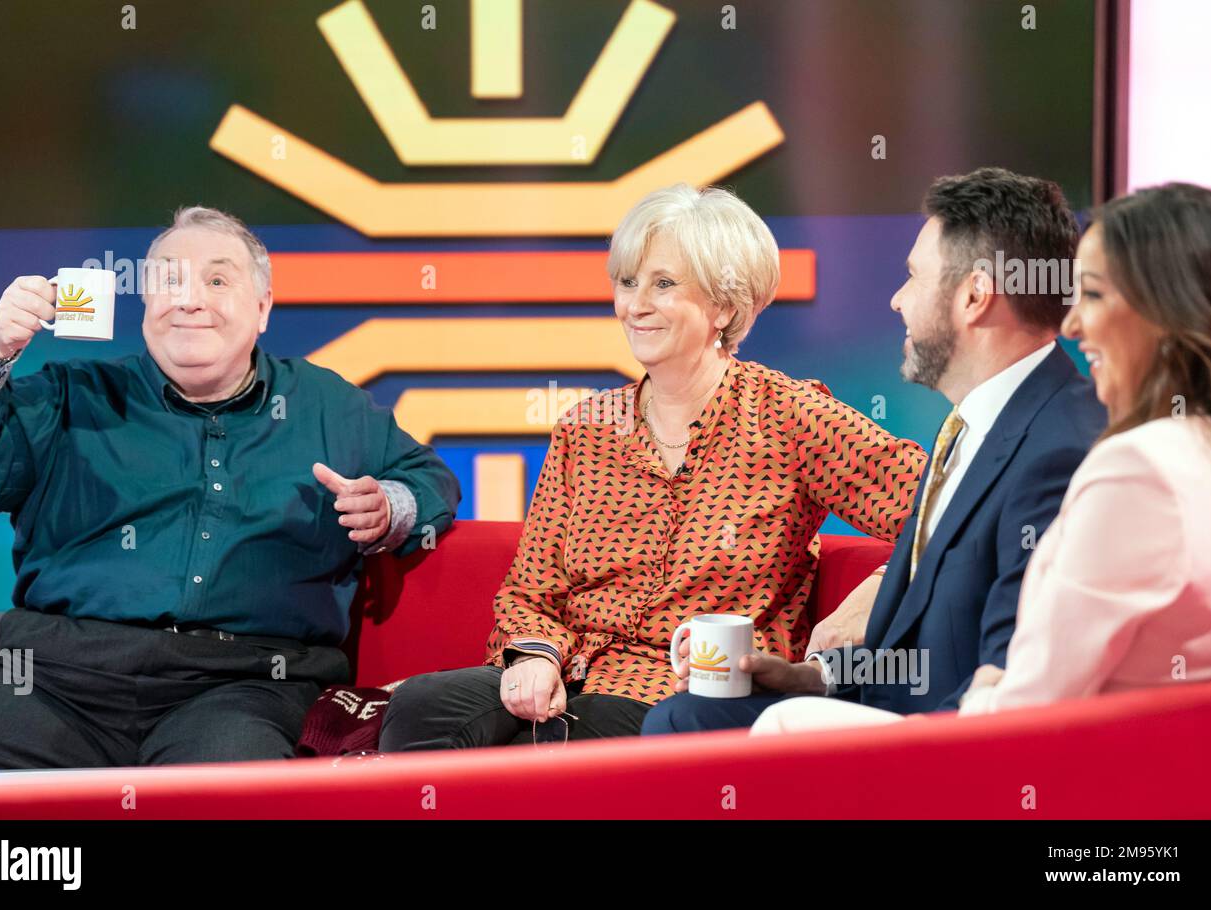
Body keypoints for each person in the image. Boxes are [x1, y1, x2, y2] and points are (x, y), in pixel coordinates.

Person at [378, 184, 927, 751]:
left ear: (725, 305)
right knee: (423, 706)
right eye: (627, 282)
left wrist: (877, 592)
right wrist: (534, 658)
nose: (634, 304)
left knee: (564, 747)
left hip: (686, 701)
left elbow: (946, 503)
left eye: (663, 284)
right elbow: (530, 592)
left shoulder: (790, 417)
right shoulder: (584, 429)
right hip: (569, 680)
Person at [0, 206, 460, 770]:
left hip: (242, 687)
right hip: (55, 680)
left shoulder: (330, 407)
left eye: (216, 280)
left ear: (262, 308)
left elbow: (431, 481)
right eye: (170, 281)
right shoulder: (74, 394)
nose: (190, 300)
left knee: (228, 791)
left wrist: (388, 510)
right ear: (145, 307)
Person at [752, 181, 1211, 734]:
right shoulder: (1201, 449)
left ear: (1162, 311)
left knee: (780, 727)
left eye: (1094, 295)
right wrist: (821, 672)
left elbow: (1022, 705)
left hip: (1010, 763)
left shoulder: (1128, 468)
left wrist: (988, 688)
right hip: (1115, 762)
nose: (1072, 324)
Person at [643, 167, 1106, 735]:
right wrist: (808, 676)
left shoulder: (1060, 449)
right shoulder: (970, 424)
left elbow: (1008, 680)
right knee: (688, 714)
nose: (896, 300)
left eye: (913, 277)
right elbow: (919, 648)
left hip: (941, 745)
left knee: (684, 727)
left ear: (974, 297)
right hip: (886, 707)